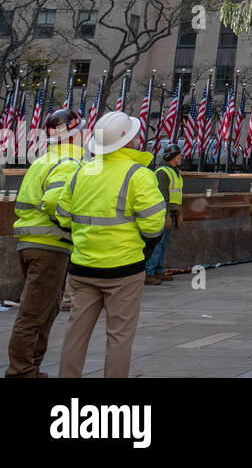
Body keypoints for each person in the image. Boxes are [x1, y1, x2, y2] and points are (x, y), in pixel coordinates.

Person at [56, 111, 166, 379]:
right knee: (119, 337)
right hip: (124, 269)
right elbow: (154, 226)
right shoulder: (138, 174)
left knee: (75, 334)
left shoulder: (81, 172)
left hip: (82, 267)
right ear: (128, 142)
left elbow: (62, 215)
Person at [6, 108, 83, 378]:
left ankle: (30, 368)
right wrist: (68, 223)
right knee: (34, 313)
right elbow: (53, 202)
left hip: (32, 243)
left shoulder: (43, 160)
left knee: (45, 310)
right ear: (74, 135)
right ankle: (21, 372)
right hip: (49, 245)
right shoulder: (70, 162)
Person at [145, 143, 185, 285]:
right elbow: (162, 196)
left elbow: (178, 194)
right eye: (179, 154)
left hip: (171, 214)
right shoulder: (163, 172)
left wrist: (179, 214)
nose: (181, 157)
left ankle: (158, 270)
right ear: (172, 156)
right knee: (158, 243)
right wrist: (166, 215)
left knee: (164, 243)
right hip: (162, 214)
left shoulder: (176, 172)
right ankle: (148, 272)